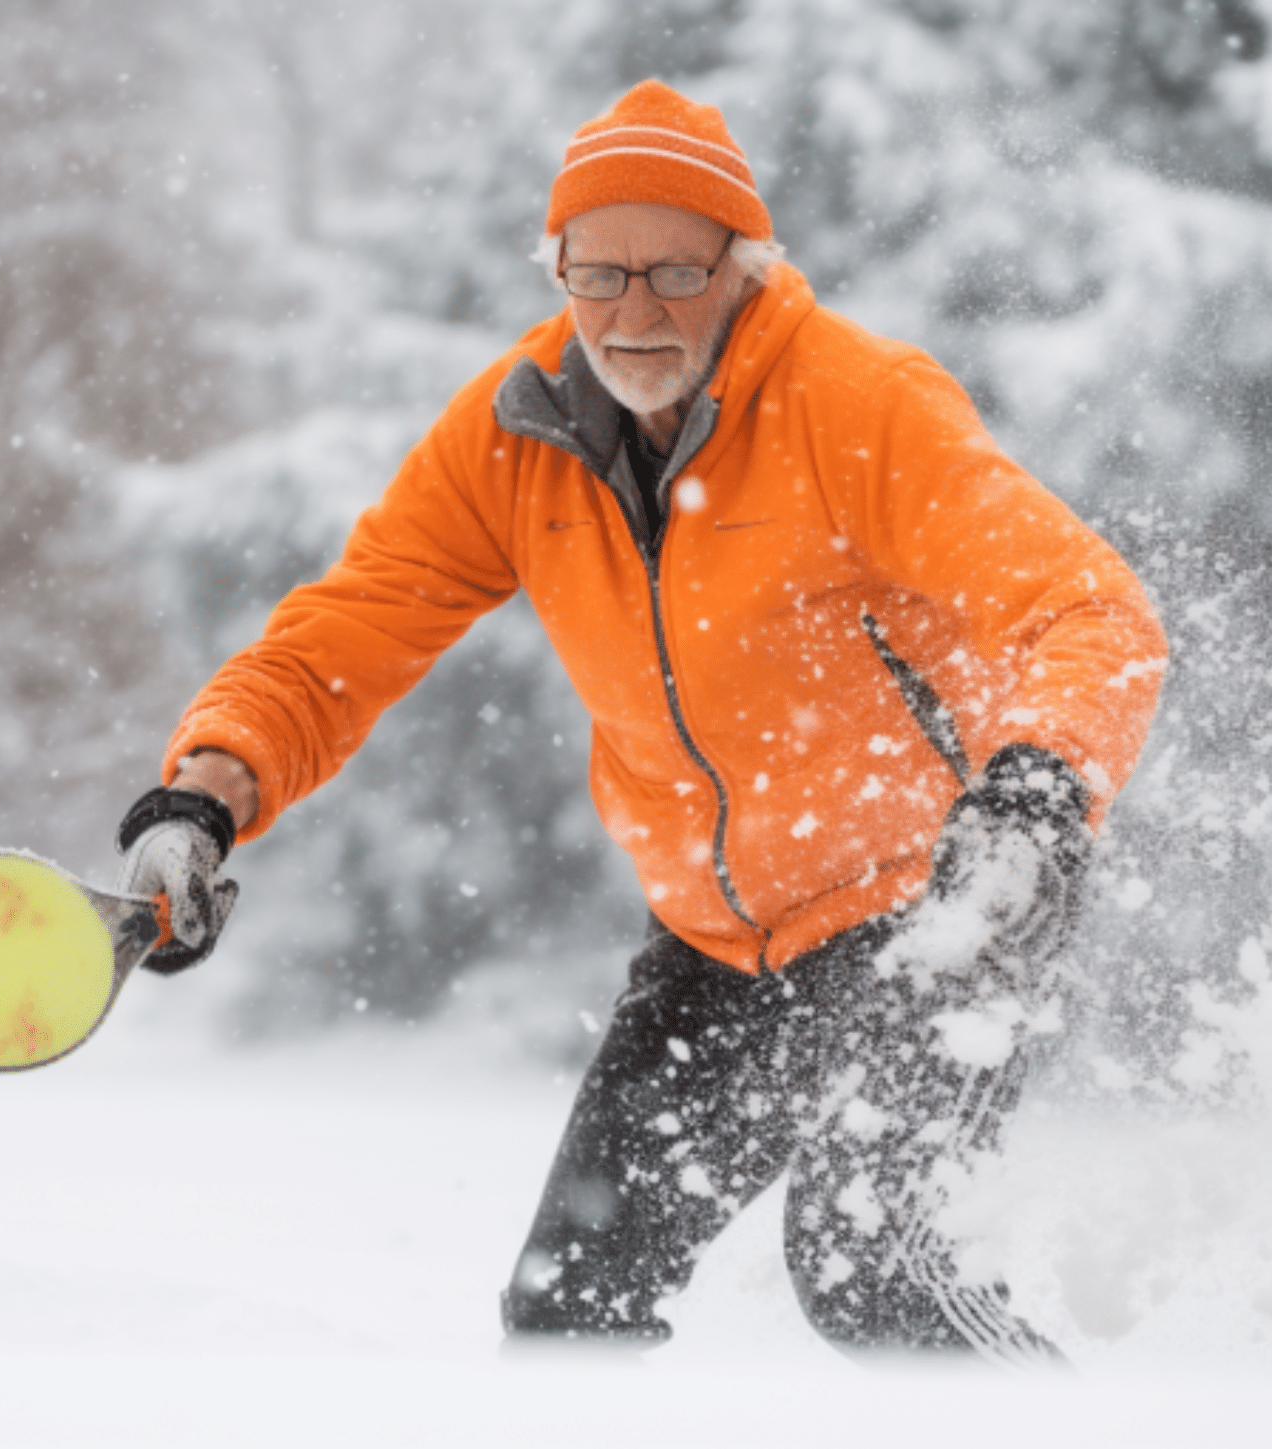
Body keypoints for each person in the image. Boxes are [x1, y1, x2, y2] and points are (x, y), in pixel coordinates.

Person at [113, 79, 1166, 1362]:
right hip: (719, 941)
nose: (632, 310)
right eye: (594, 272)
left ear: (742, 265)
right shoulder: (517, 430)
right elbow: (343, 638)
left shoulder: (856, 404)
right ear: (555, 270)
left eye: (674, 269)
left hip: (940, 905)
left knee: (868, 1266)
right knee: (569, 1310)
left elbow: (1089, 610)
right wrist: (203, 800)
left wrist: (1035, 797)